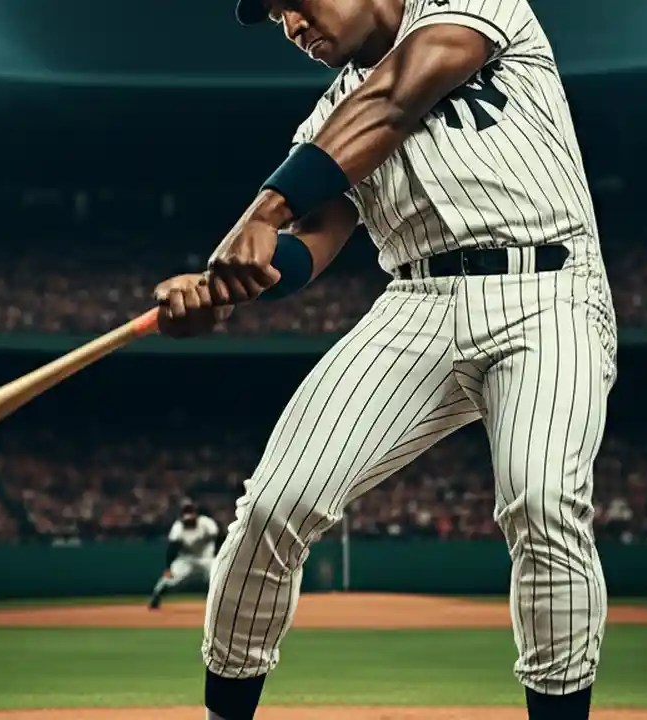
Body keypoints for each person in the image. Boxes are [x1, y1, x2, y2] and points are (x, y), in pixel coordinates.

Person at [151, 0, 618, 717]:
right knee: (274, 505)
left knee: (543, 499)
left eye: (293, 1)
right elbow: (309, 246)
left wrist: (262, 212)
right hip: (415, 303)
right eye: (275, 18)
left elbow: (397, 96)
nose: (290, 26)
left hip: (550, 290)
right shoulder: (324, 127)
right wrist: (223, 290)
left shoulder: (468, 5)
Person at [147, 501, 221, 610]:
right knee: (172, 580)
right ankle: (157, 594)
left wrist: (218, 556)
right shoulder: (178, 528)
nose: (189, 520)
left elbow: (219, 539)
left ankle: (218, 600)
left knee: (218, 575)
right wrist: (168, 568)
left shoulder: (206, 523)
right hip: (186, 559)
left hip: (206, 558)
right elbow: (172, 549)